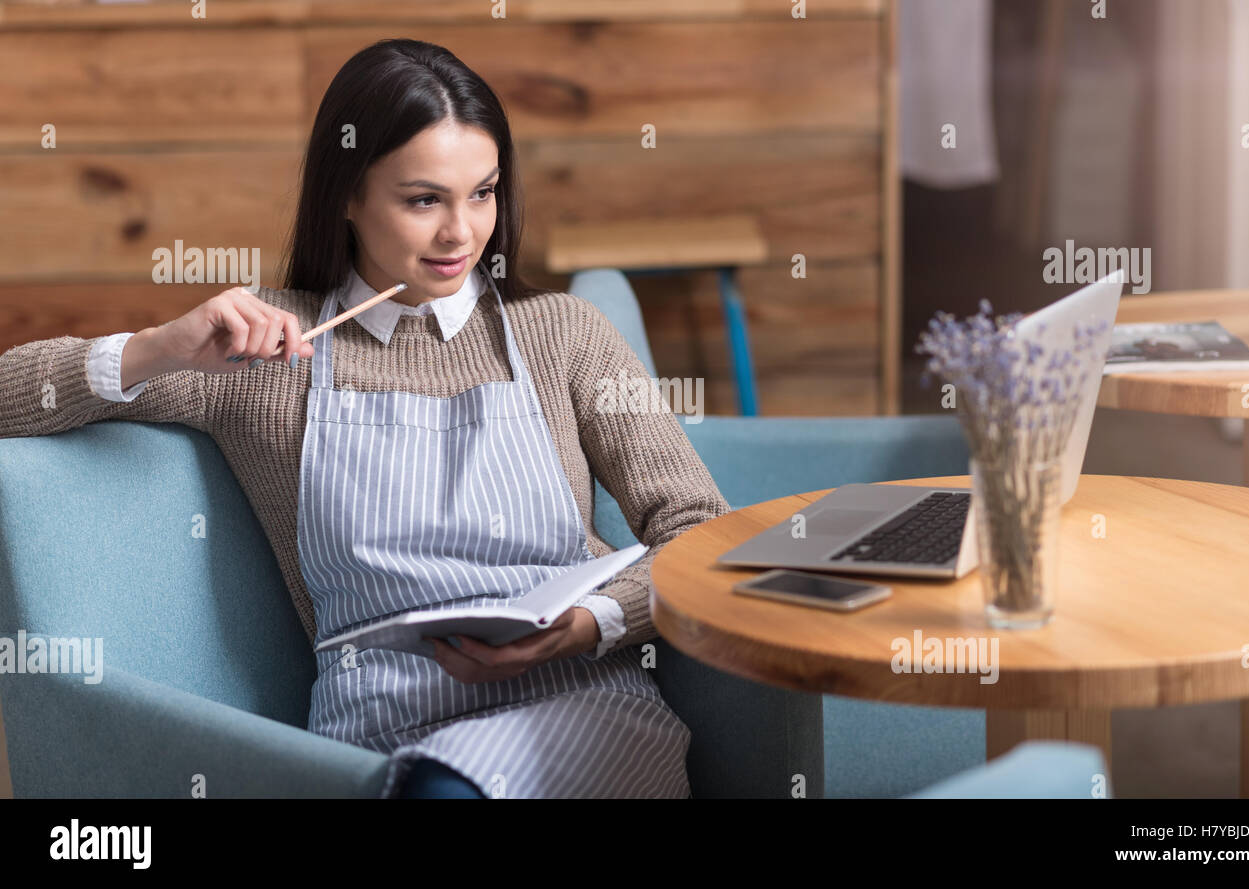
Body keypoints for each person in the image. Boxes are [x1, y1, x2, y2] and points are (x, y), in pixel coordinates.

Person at [0, 38, 731, 799]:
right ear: (347, 193)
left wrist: (592, 622)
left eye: (482, 193)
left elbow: (702, 529)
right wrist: (157, 349)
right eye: (424, 200)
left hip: (579, 704)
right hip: (375, 732)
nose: (462, 234)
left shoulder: (565, 334)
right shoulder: (265, 353)